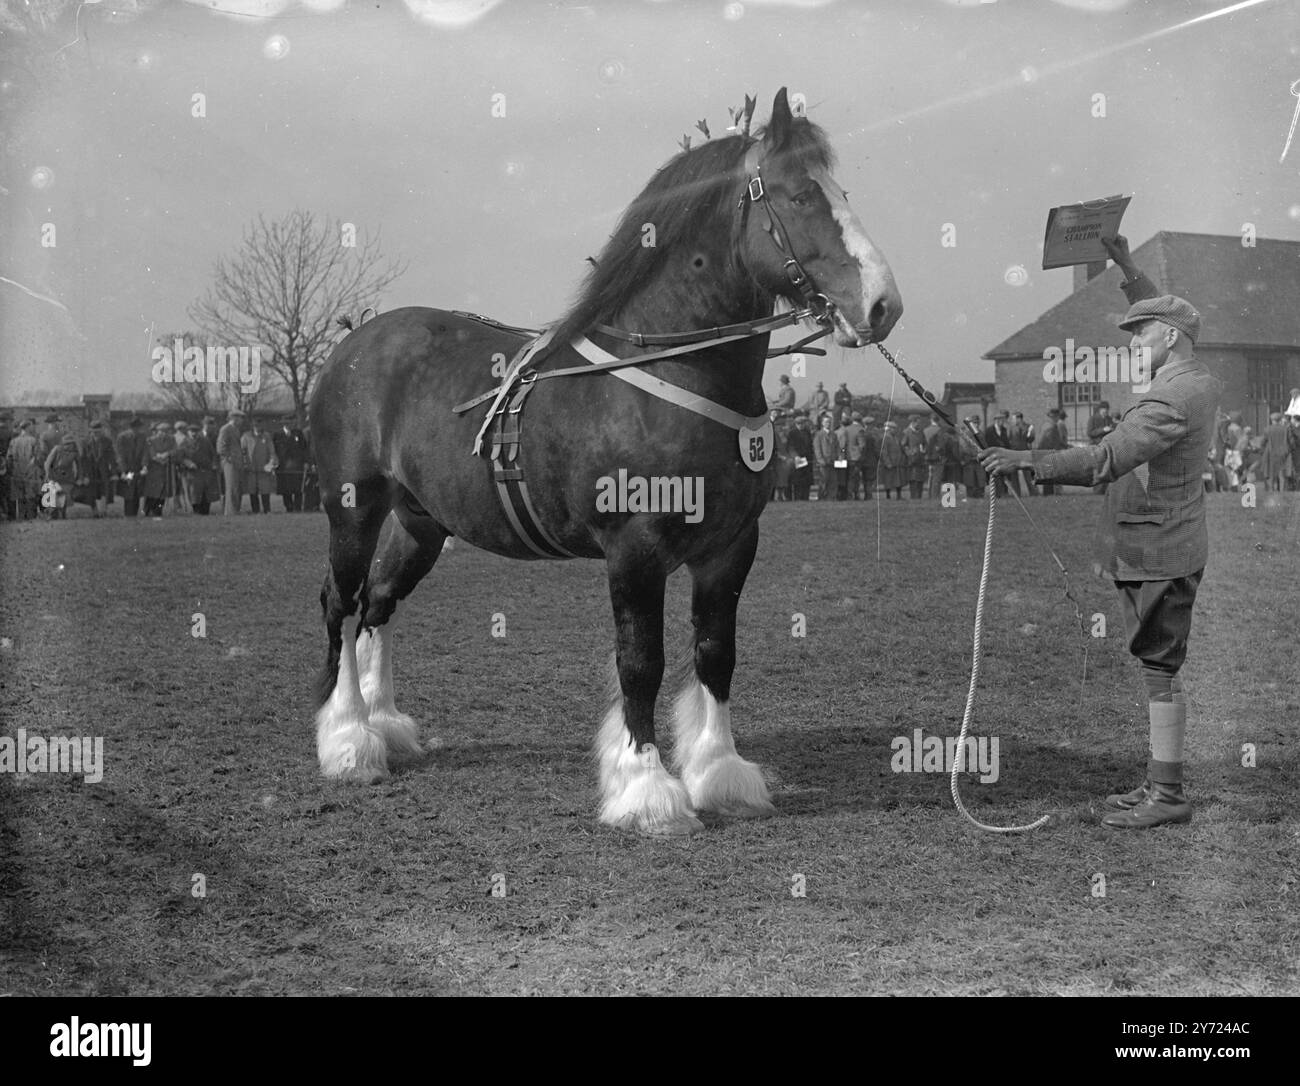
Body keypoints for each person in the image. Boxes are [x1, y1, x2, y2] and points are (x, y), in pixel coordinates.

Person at [980, 233, 1220, 829]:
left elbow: (1105, 460)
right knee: (1155, 666)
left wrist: (1027, 460)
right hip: (1157, 545)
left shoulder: (1173, 397)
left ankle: (1168, 796)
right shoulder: (1189, 376)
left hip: (1161, 550)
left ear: (1169, 338)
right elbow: (1164, 315)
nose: (1133, 343)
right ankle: (1159, 783)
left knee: (1159, 667)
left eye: (1141, 334)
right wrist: (1129, 268)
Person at [241, 415, 278, 514]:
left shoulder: (267, 436)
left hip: (264, 469)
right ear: (253, 426)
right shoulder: (246, 436)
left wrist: (270, 463)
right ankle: (255, 510)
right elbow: (242, 451)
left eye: (259, 425)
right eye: (256, 425)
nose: (258, 427)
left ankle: (267, 510)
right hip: (251, 469)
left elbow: (272, 452)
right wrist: (245, 464)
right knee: (252, 490)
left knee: (265, 490)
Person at [83, 419, 119, 517]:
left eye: (98, 432)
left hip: (103, 470)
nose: (96, 434)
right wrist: (85, 475)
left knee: (104, 490)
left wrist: (114, 473)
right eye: (94, 432)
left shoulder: (107, 441)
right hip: (91, 470)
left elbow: (112, 458)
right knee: (92, 491)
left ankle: (103, 511)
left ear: (101, 430)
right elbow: (84, 460)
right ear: (90, 431)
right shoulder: (86, 442)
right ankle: (95, 511)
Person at [7, 418, 42, 520]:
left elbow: (9, 458)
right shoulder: (33, 440)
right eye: (31, 426)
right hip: (30, 471)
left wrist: (12, 470)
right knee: (30, 495)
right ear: (27, 427)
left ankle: (21, 517)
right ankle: (30, 517)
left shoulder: (14, 441)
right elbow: (38, 457)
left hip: (17, 471)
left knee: (19, 496)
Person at [42, 433, 84, 519]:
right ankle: (53, 514)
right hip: (54, 476)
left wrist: (80, 478)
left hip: (67, 478)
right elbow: (48, 463)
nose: (68, 446)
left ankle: (62, 514)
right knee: (53, 496)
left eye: (70, 444)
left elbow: (79, 466)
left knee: (64, 496)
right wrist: (47, 475)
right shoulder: (57, 449)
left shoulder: (75, 453)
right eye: (66, 444)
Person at [186, 418, 221, 515]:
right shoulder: (185, 443)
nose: (194, 434)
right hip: (193, 471)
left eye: (195, 432)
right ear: (188, 432)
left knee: (207, 491)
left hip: (207, 470)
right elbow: (181, 457)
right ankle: (196, 511)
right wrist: (189, 463)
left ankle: (206, 511)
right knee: (194, 492)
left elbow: (213, 454)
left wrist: (214, 463)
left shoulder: (205, 441)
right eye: (191, 432)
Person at [273, 414, 308, 512]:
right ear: (283, 423)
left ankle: (297, 507)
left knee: (298, 487)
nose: (288, 424)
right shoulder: (277, 435)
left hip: (297, 465)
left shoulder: (298, 433)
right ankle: (288, 507)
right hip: (283, 465)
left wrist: (306, 461)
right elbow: (274, 450)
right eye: (286, 422)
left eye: (290, 422)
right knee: (285, 488)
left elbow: (304, 448)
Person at [115, 416, 149, 517]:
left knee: (137, 491)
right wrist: (124, 471)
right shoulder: (122, 437)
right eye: (134, 427)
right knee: (129, 490)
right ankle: (128, 513)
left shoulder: (143, 437)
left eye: (138, 427)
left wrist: (144, 466)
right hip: (128, 468)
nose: (136, 430)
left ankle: (134, 513)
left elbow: (145, 452)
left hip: (138, 468)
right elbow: (120, 455)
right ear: (131, 427)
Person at [983, 411, 1021, 498]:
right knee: (996, 475)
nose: (1001, 421)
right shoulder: (989, 430)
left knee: (1004, 474)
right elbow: (986, 444)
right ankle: (997, 494)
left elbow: (1007, 443)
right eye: (999, 420)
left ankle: (1004, 493)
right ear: (995, 420)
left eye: (1002, 420)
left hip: (1003, 456)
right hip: (993, 457)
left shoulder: (1004, 430)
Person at [142, 421, 176, 518]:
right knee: (152, 491)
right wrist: (158, 457)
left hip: (166, 469)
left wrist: (167, 454)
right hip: (154, 468)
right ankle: (147, 510)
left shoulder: (171, 439)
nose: (164, 433)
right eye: (162, 431)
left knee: (162, 492)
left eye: (166, 431)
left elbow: (175, 450)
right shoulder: (151, 440)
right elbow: (150, 453)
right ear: (157, 431)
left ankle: (158, 510)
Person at [218, 409, 246, 515]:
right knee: (231, 486)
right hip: (230, 463)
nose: (242, 420)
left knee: (236, 487)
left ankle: (235, 509)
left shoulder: (236, 429)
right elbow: (220, 447)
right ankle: (230, 511)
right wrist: (228, 458)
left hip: (237, 461)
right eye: (240, 418)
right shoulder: (225, 429)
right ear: (234, 418)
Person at [1034, 408, 1068, 495]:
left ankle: (1048, 493)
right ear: (1054, 417)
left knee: (1047, 473)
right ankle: (1048, 493)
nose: (1058, 419)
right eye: (1057, 417)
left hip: (1043, 452)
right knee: (1049, 473)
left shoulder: (1045, 425)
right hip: (1048, 452)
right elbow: (1052, 442)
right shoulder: (1052, 427)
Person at [1260, 412, 1291, 492]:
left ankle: (1271, 491)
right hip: (1283, 453)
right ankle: (1282, 491)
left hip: (1271, 453)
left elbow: (1263, 442)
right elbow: (1290, 441)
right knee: (1281, 473)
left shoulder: (1267, 429)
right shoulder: (1285, 429)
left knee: (1271, 473)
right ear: (1280, 419)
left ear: (1272, 420)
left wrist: (1262, 450)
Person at [786, 412, 814, 501]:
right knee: (798, 480)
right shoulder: (792, 433)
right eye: (798, 423)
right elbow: (790, 446)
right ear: (796, 424)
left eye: (802, 423)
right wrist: (795, 456)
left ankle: (806, 497)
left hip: (808, 458)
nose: (800, 425)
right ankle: (798, 497)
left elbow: (810, 445)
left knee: (807, 480)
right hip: (798, 459)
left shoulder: (807, 432)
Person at [812, 414, 839, 501]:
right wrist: (820, 460)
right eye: (826, 422)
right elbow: (817, 448)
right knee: (823, 480)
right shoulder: (818, 435)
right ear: (822, 423)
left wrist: (840, 456)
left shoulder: (833, 434)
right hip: (823, 462)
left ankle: (831, 497)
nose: (828, 423)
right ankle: (822, 497)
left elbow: (838, 447)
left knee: (833, 480)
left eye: (829, 422)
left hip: (832, 461)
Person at [959, 414, 986, 499]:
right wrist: (975, 454)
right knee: (970, 480)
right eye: (974, 423)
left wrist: (982, 454)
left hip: (979, 461)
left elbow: (984, 445)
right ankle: (971, 496)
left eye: (978, 423)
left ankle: (980, 495)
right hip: (969, 461)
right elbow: (964, 447)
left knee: (981, 480)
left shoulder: (981, 433)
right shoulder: (966, 434)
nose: (976, 425)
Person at [877, 420, 905, 499]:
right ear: (889, 429)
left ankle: (899, 495)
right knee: (888, 480)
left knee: (898, 480)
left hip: (897, 462)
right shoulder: (885, 438)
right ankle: (888, 495)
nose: (895, 430)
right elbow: (884, 451)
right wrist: (887, 462)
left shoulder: (896, 437)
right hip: (890, 462)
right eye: (893, 428)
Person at [901, 415, 927, 500]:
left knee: (920, 479)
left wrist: (924, 450)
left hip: (920, 459)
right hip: (911, 460)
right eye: (918, 423)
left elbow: (925, 443)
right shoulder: (906, 432)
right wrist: (910, 453)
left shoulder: (920, 432)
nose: (919, 425)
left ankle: (919, 496)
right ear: (913, 422)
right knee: (913, 478)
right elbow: (903, 445)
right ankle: (914, 496)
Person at [923, 414, 946, 499]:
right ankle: (935, 495)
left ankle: (929, 494)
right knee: (937, 477)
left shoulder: (925, 430)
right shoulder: (940, 430)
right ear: (938, 420)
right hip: (938, 457)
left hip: (928, 456)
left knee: (930, 476)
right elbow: (941, 445)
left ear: (931, 420)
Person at [858, 416, 879, 500]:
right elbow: (876, 449)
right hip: (871, 460)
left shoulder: (862, 433)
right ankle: (868, 495)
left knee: (865, 479)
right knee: (869, 479)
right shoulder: (872, 435)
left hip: (863, 460)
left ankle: (868, 495)